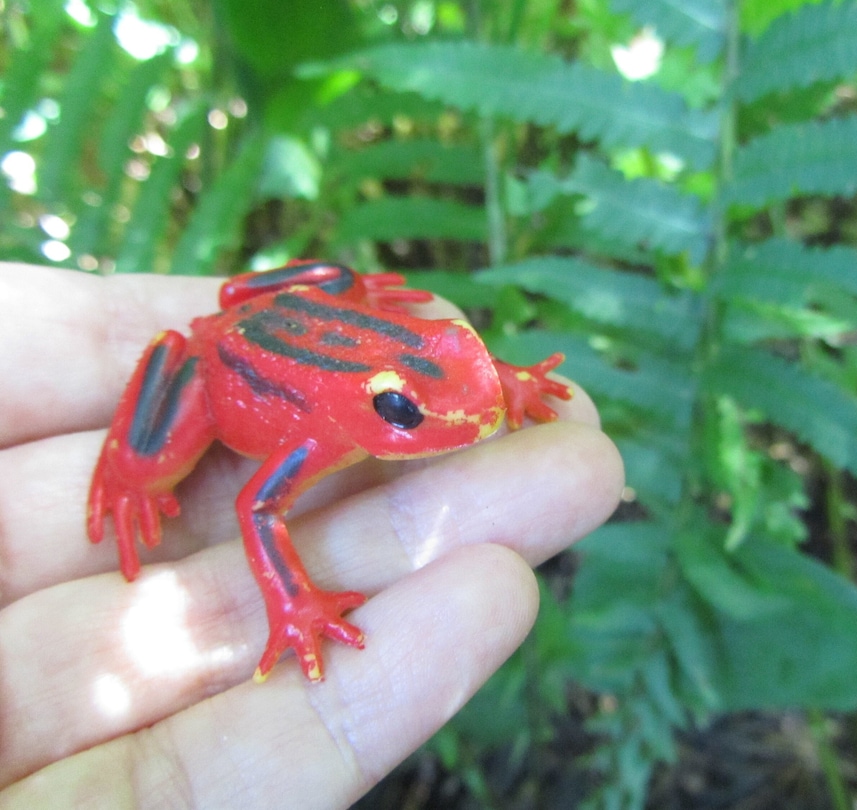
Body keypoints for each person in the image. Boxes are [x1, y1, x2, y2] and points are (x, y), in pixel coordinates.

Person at [0, 262, 624, 807]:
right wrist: (292, 603)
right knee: (149, 465)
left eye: (477, 353)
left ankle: (394, 346)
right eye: (401, 411)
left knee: (352, 292)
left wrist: (502, 382)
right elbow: (257, 507)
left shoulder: (417, 356)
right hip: (224, 364)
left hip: (300, 328)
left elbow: (444, 361)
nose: (478, 413)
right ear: (382, 409)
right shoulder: (324, 430)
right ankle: (126, 466)